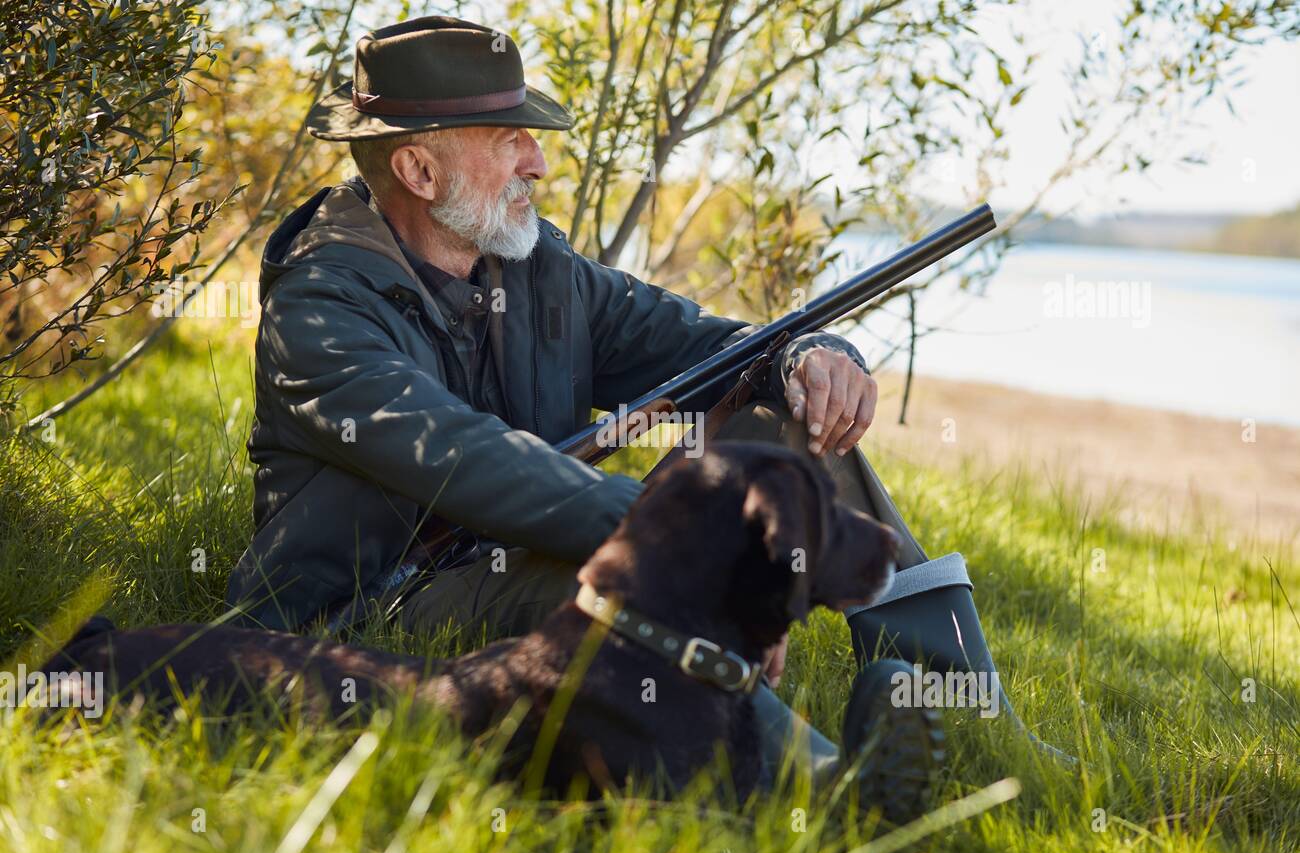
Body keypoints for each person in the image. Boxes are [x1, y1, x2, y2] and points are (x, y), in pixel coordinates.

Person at [227, 15, 1006, 809]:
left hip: (525, 554)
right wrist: (691, 541)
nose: (537, 162)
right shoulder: (320, 311)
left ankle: (973, 710)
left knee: (792, 418)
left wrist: (807, 358)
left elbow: (715, 348)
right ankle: (827, 785)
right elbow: (471, 458)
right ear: (419, 170)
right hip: (381, 609)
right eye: (508, 139)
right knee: (625, 583)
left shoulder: (537, 268)